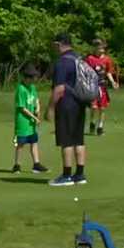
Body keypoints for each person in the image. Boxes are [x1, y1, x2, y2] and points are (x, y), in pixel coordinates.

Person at [45, 33, 87, 186]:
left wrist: (50, 108)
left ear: (60, 44)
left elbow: (59, 89)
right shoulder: (79, 59)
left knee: (66, 140)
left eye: (55, 44)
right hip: (80, 103)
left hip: (66, 104)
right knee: (79, 139)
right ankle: (80, 174)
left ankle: (67, 175)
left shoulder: (62, 62)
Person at [12, 64, 48, 174]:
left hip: (31, 123)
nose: (34, 80)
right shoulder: (21, 89)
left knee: (34, 142)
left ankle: (36, 164)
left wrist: (38, 108)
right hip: (23, 121)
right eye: (32, 77)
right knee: (21, 144)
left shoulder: (32, 87)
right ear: (26, 77)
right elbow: (22, 108)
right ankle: (17, 165)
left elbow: (36, 99)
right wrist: (34, 117)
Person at [85, 38, 120, 136]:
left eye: (103, 47)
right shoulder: (90, 59)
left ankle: (100, 127)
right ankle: (92, 122)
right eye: (100, 47)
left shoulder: (107, 59)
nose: (102, 49)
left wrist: (113, 82)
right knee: (94, 107)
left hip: (102, 87)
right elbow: (86, 72)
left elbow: (108, 72)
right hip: (92, 87)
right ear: (95, 48)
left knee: (102, 108)